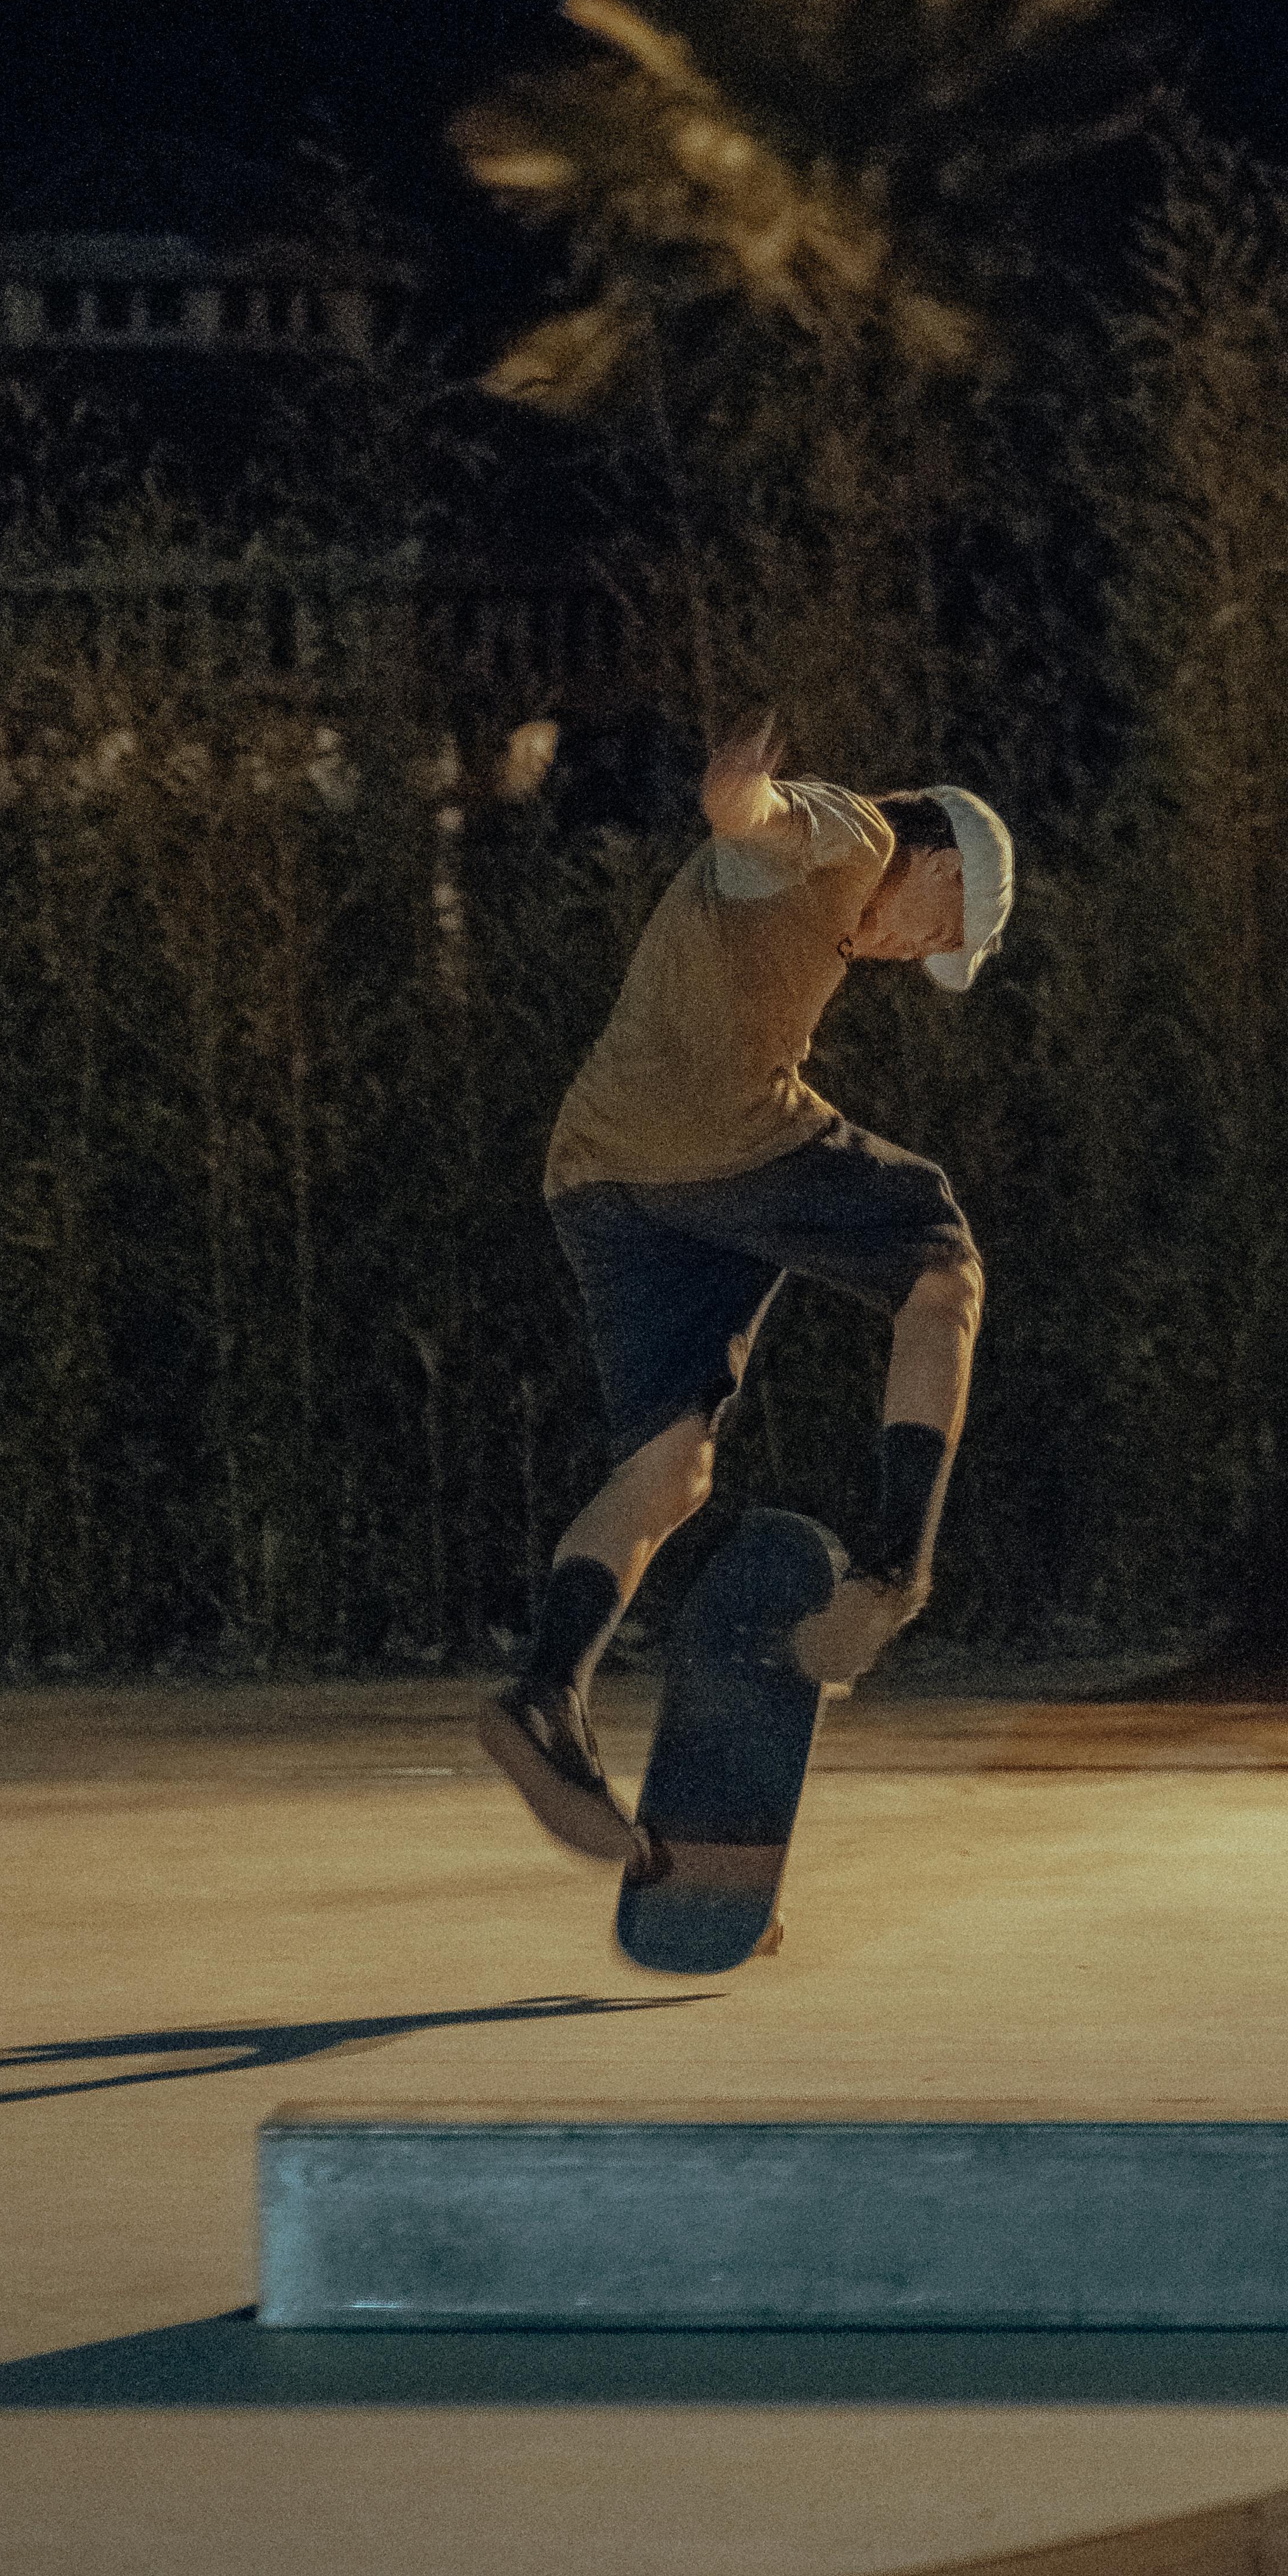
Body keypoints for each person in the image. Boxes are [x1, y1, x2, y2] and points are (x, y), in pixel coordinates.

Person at [479, 712, 1014, 1862]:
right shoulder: (866, 836)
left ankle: (544, 1692)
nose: (908, 953)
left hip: (598, 1171)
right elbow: (769, 830)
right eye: (944, 930)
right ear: (942, 862)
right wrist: (740, 797)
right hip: (724, 1141)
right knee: (943, 1271)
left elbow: (749, 853)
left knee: (669, 1466)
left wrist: (741, 814)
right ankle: (895, 1571)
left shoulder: (806, 906)